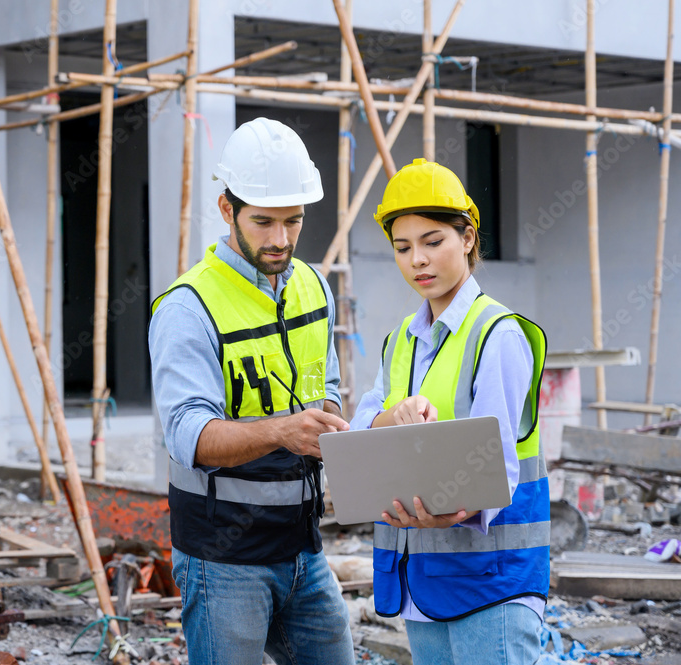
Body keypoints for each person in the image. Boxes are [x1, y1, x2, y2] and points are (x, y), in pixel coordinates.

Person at [148, 117, 355, 665]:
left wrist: (330, 420)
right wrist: (285, 431)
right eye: (263, 222)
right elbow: (189, 436)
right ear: (226, 209)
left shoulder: (312, 285)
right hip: (223, 559)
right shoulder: (188, 308)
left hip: (303, 550)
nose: (280, 239)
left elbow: (327, 387)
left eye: (293, 221)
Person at [350, 158, 549, 665]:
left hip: (492, 585)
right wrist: (393, 418)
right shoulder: (400, 342)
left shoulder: (497, 335)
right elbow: (360, 428)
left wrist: (452, 508)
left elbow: (496, 466)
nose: (417, 259)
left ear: (467, 238)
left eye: (433, 241)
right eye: (402, 247)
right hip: (423, 586)